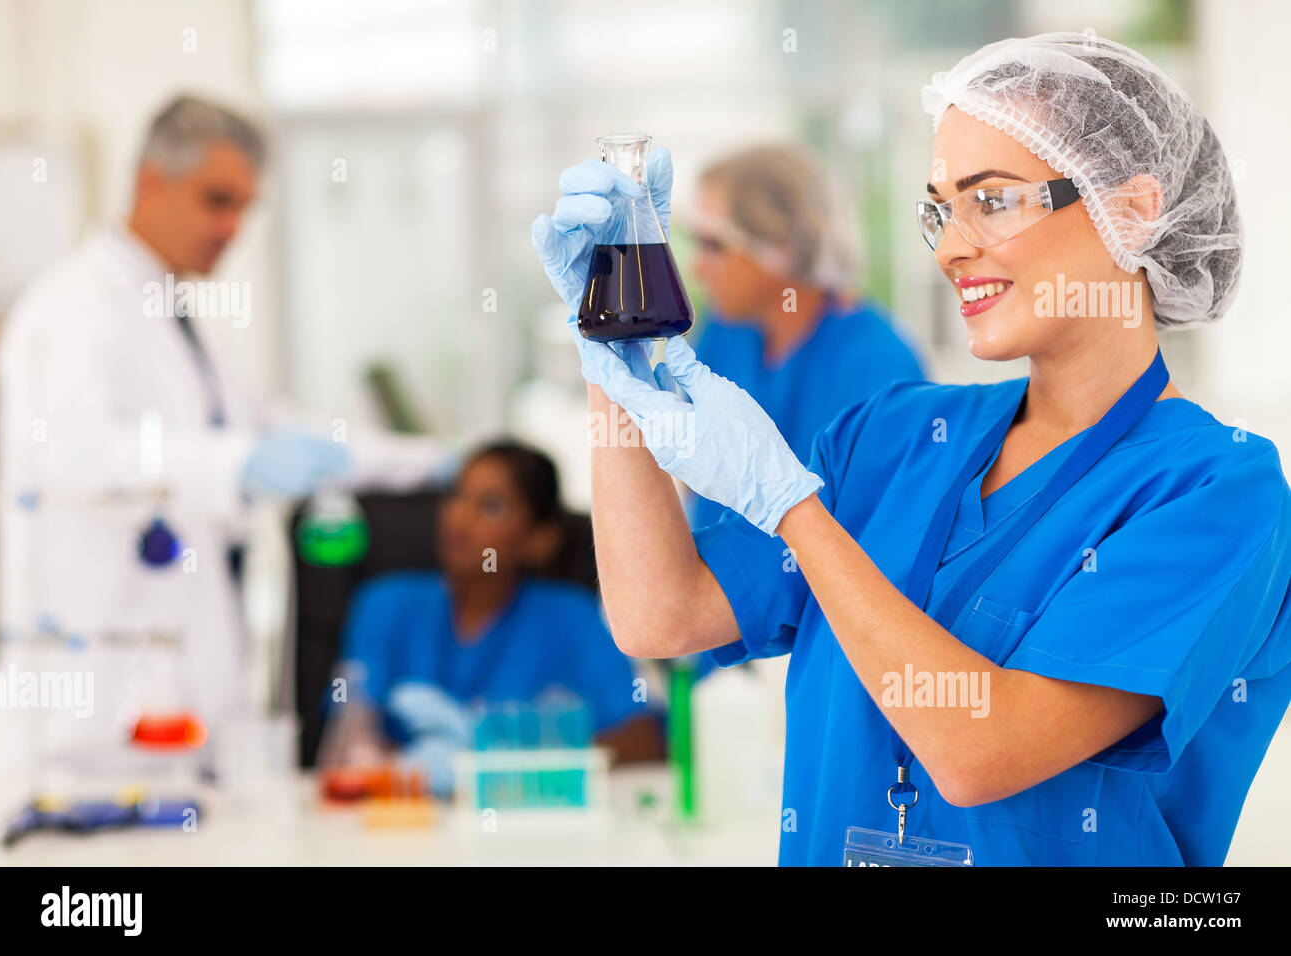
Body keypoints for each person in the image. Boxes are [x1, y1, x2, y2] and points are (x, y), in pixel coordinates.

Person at [532, 33, 1291, 866]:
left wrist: (794, 509)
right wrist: (617, 356)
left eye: (992, 200)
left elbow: (980, 751)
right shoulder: (890, 436)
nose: (950, 247)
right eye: (939, 208)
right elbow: (659, 615)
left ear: (1136, 209)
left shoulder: (1218, 491)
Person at [0, 95, 452, 777]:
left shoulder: (181, 320)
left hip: (179, 702)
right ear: (153, 181)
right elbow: (73, 454)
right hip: (87, 720)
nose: (232, 227)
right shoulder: (69, 308)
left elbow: (274, 428)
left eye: (244, 207)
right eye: (217, 201)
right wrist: (236, 462)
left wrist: (429, 462)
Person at [338, 440, 665, 790]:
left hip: (527, 827)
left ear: (539, 540)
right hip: (408, 825)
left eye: (491, 506)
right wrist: (407, 771)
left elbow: (642, 743)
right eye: (456, 495)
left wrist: (506, 760)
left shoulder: (572, 618)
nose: (459, 517)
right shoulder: (385, 605)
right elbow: (349, 735)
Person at [686, 144, 924, 532]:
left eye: (715, 245)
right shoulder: (723, 335)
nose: (697, 267)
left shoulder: (879, 366)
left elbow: (883, 536)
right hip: (714, 584)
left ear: (779, 246)